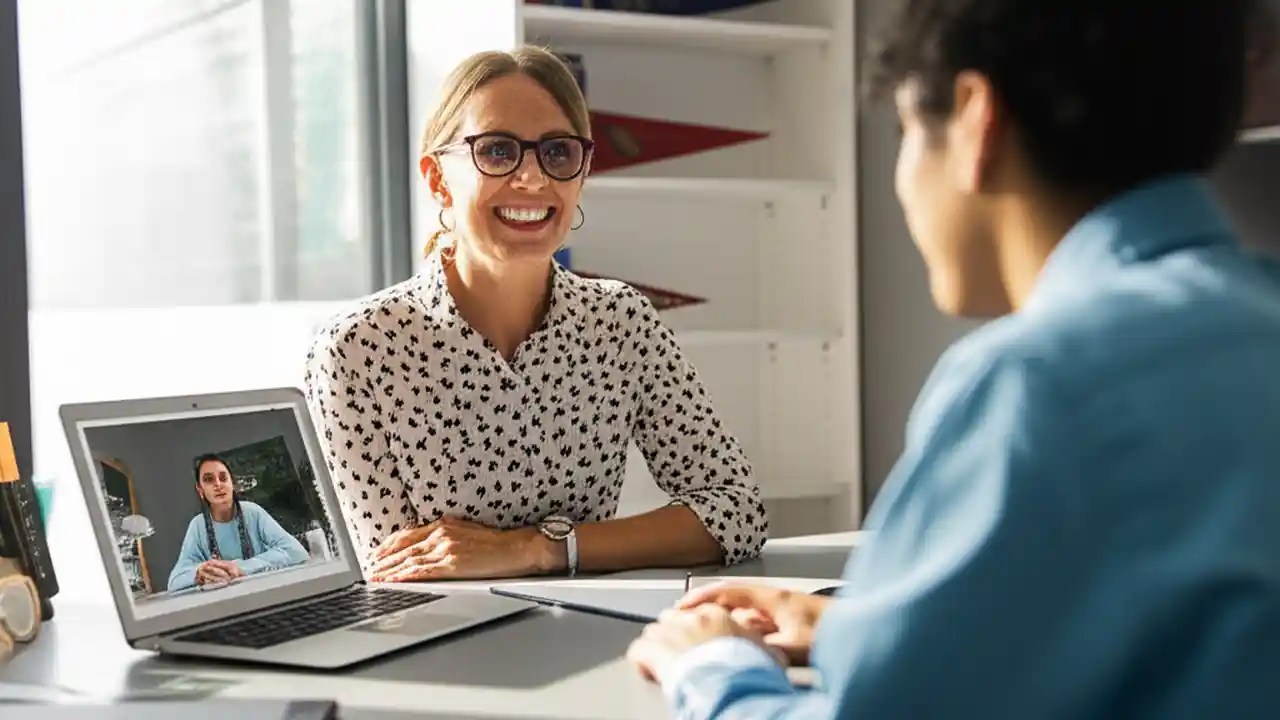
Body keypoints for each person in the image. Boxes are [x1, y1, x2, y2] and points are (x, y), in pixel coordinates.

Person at [626, 1, 1280, 717]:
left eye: (906, 130)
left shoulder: (1034, 383)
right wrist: (865, 632)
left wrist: (714, 668)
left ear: (974, 118)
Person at [304, 46, 767, 582]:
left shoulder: (621, 323)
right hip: (438, 651)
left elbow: (737, 511)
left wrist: (538, 548)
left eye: (558, 153)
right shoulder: (357, 349)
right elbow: (392, 576)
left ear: (582, 173)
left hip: (591, 636)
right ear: (436, 179)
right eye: (497, 152)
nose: (532, 178)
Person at [167, 454, 308, 591]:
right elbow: (175, 581)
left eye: (223, 478)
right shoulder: (198, 526)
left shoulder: (253, 513)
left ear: (232, 484)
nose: (218, 484)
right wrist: (200, 575)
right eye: (209, 480)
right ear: (200, 490)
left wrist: (241, 568)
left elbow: (296, 551)